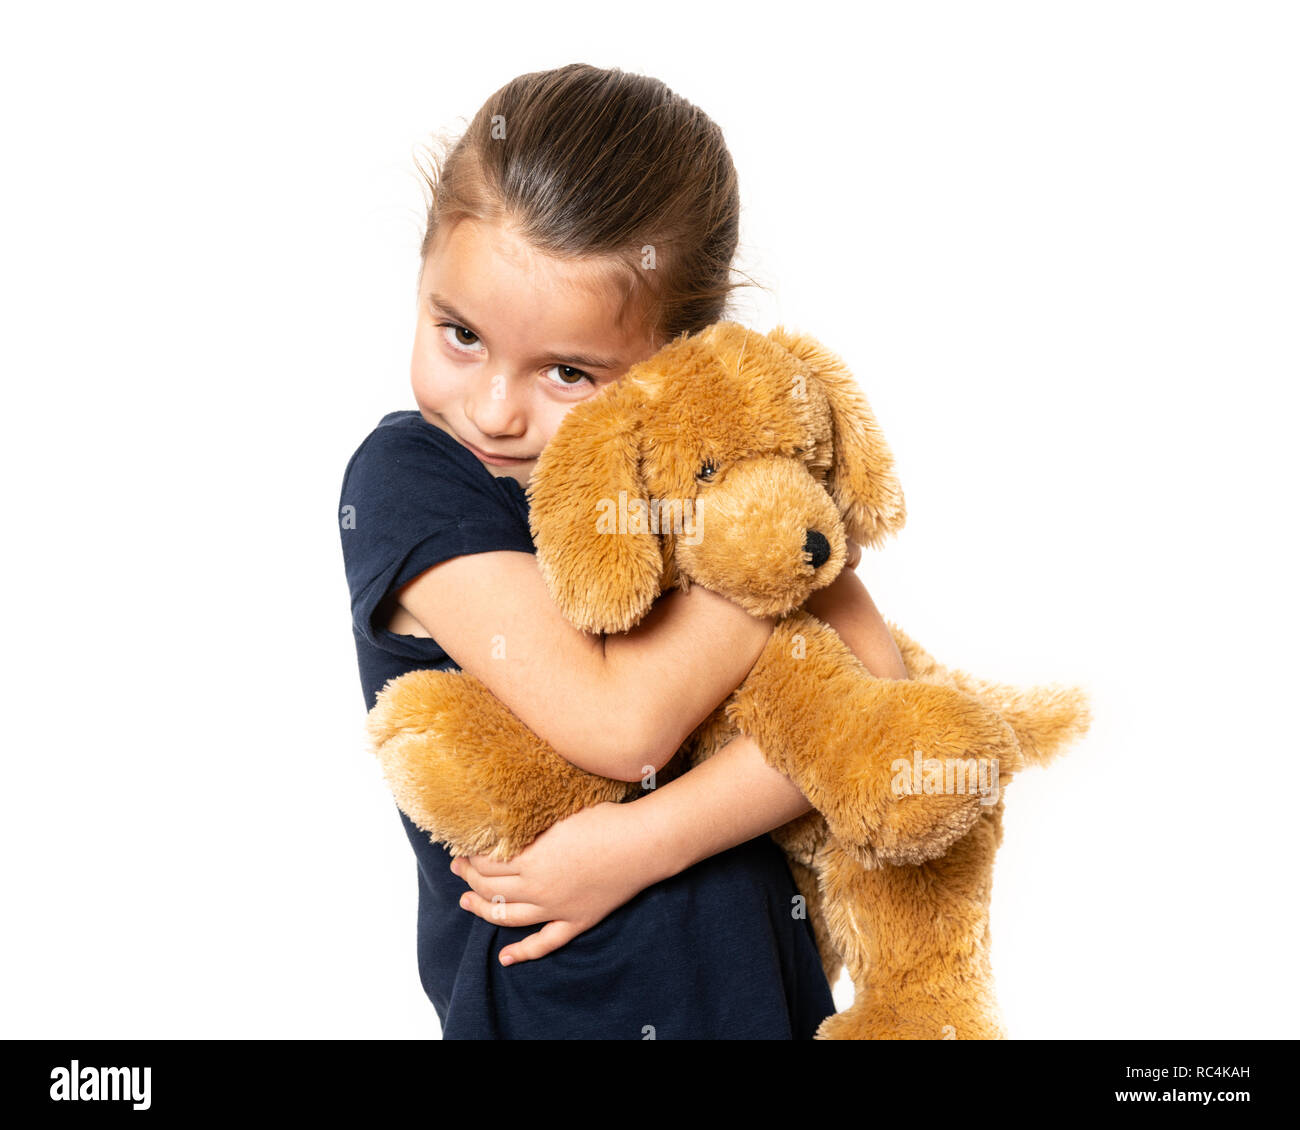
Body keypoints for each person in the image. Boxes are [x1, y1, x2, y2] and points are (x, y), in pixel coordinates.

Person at [339, 63, 908, 1039]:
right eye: (459, 333)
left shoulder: (709, 476)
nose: (493, 407)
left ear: (679, 359)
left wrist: (640, 842)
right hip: (569, 1005)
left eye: (568, 371)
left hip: (761, 995)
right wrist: (775, 543)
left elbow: (870, 695)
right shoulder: (413, 480)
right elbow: (620, 722)